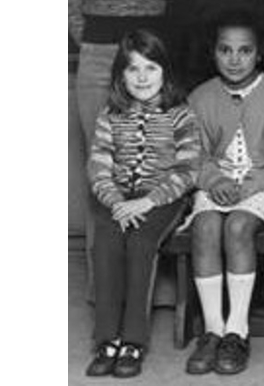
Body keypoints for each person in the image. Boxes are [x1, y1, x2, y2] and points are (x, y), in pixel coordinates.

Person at [70, 0, 194, 298]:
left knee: (154, 167)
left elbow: (184, 1)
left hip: (155, 66)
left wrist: (148, 56)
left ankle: (148, 285)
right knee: (103, 172)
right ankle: (105, 291)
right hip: (101, 60)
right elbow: (69, 6)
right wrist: (105, 45)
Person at [84, 30, 200, 379]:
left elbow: (188, 171)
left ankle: (133, 340)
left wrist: (148, 202)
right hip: (118, 199)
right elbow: (98, 164)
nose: (142, 77)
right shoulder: (110, 114)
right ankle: (107, 339)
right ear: (120, 75)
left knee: (139, 244)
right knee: (104, 245)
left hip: (161, 199)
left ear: (165, 71)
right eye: (133, 70)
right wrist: (117, 202)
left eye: (151, 68)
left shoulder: (180, 114)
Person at [182, 12, 264, 376]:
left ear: (259, 54)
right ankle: (212, 330)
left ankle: (237, 331)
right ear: (214, 53)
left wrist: (249, 186)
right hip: (217, 183)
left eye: (244, 51)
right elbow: (192, 154)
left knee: (238, 226)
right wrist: (214, 181)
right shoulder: (201, 96)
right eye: (225, 50)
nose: (235, 59)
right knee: (206, 226)